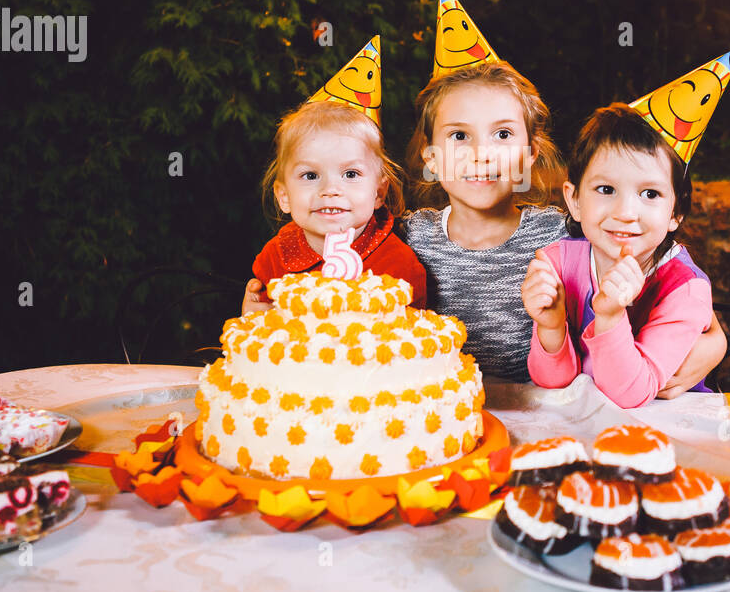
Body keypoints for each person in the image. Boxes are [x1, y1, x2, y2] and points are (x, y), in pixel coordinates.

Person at [522, 104, 723, 408]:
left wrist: (611, 316)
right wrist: (551, 326)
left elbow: (631, 394)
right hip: (587, 426)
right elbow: (554, 383)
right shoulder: (557, 264)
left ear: (676, 212)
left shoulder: (685, 289)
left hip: (672, 424)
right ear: (574, 199)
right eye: (606, 189)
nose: (625, 213)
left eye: (650, 194)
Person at [400, 59, 569, 381]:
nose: (482, 153)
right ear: (432, 158)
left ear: (530, 152)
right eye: (460, 135)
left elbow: (657, 266)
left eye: (502, 133)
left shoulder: (563, 237)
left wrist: (699, 341)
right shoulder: (406, 239)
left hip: (539, 421)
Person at [242, 98, 427, 313]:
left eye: (350, 174)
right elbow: (261, 331)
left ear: (378, 193)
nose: (330, 189)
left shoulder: (397, 266)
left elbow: (406, 338)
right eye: (310, 175)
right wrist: (255, 317)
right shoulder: (275, 258)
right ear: (284, 196)